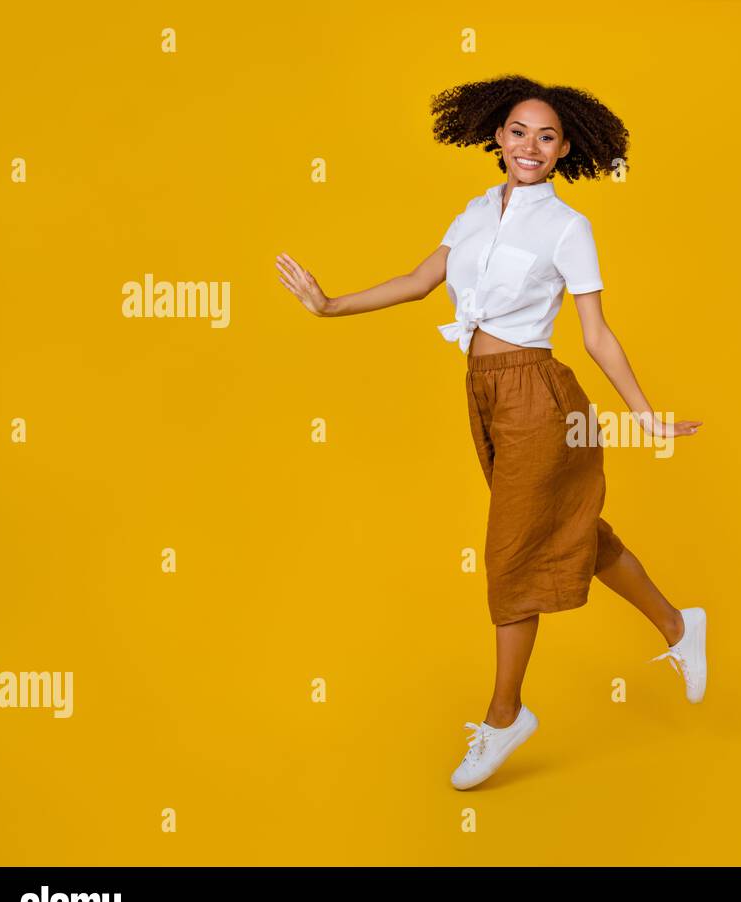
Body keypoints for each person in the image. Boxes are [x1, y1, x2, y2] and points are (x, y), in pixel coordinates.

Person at [275, 74, 707, 790]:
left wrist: (641, 411)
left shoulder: (569, 227)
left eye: (546, 136)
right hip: (483, 395)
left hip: (539, 398)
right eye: (517, 131)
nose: (530, 145)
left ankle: (505, 716)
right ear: (496, 138)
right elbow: (419, 281)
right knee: (566, 530)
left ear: (565, 148)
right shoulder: (474, 212)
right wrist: (330, 305)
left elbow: (594, 332)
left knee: (512, 555)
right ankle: (679, 625)